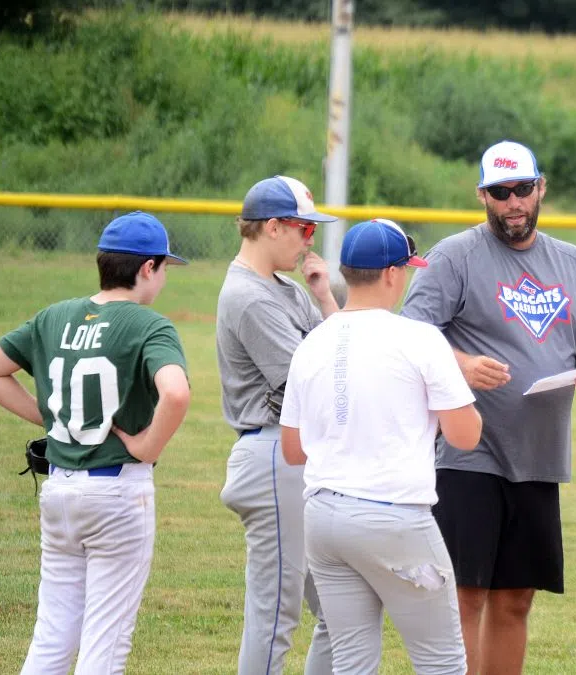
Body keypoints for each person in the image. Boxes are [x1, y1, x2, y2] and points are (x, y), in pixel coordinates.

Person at [401, 139, 576, 674]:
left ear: (541, 188)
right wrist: (461, 364)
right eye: (500, 192)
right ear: (482, 195)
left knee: (515, 599)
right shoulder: (454, 257)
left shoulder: (573, 262)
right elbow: (409, 336)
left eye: (523, 189)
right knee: (464, 595)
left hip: (538, 457)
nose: (513, 202)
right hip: (466, 454)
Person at [0, 211, 191, 674]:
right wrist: (148, 447)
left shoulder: (55, 316)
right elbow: (176, 392)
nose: (164, 278)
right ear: (147, 267)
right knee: (104, 645)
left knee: (52, 637)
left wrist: (55, 414)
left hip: (60, 490)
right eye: (163, 267)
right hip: (116, 492)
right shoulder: (149, 325)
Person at [280, 218, 482, 674]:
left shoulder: (313, 342)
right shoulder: (419, 338)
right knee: (443, 662)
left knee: (351, 661)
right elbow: (465, 436)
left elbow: (293, 449)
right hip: (394, 516)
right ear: (392, 273)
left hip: (325, 516)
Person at [216, 175, 339, 674]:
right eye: (303, 229)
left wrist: (324, 297)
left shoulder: (284, 289)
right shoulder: (250, 297)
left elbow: (341, 355)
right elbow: (314, 383)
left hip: (295, 456)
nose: (309, 240)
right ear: (271, 227)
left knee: (342, 611)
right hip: (273, 455)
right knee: (275, 616)